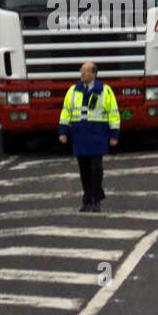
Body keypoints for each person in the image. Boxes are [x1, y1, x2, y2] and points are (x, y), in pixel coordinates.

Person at [59, 61, 120, 213]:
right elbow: (66, 112)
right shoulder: (73, 91)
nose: (82, 74)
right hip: (80, 136)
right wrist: (63, 131)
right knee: (84, 170)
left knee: (96, 170)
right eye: (81, 70)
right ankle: (87, 199)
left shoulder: (105, 91)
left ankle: (96, 199)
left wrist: (114, 135)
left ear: (93, 74)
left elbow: (113, 114)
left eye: (85, 71)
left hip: (97, 136)